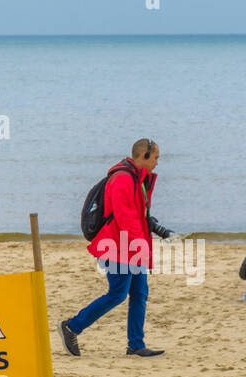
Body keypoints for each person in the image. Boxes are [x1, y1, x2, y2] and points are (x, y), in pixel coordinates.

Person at [59, 138, 176, 358]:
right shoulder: (123, 178)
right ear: (144, 156)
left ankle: (136, 345)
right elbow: (125, 218)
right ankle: (72, 326)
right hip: (118, 247)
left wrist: (158, 230)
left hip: (132, 247)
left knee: (139, 294)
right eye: (157, 158)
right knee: (118, 294)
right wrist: (141, 246)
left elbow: (140, 216)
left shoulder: (137, 178)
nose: (158, 163)